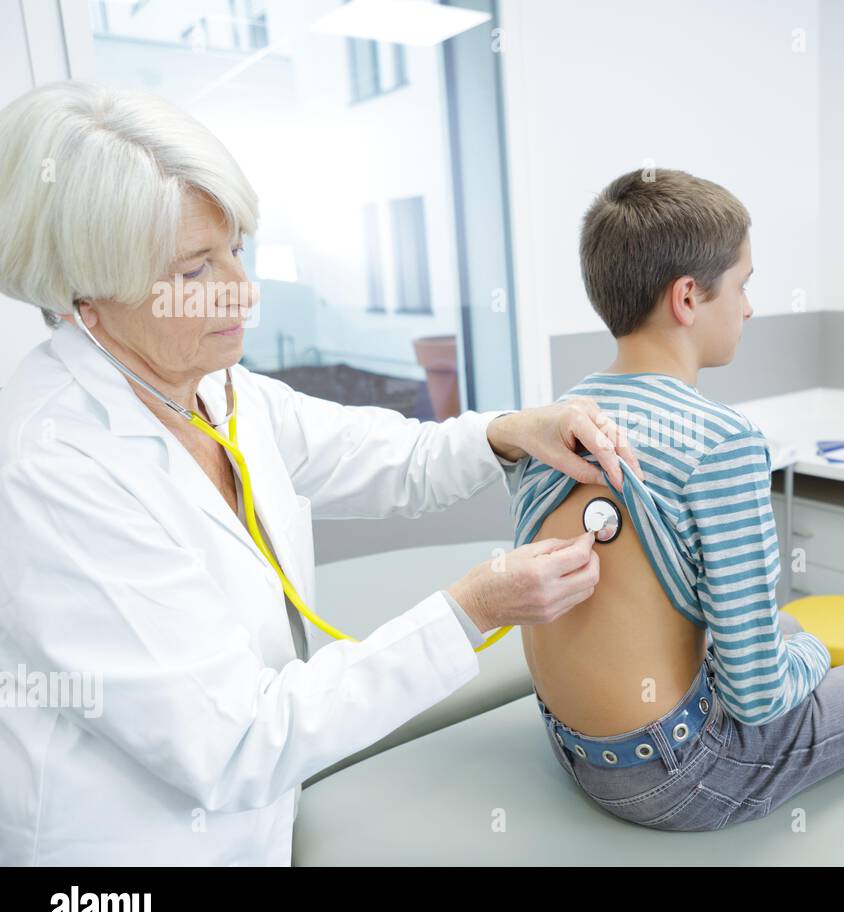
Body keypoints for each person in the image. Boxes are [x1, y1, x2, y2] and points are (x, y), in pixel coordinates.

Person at [0, 80, 641, 865]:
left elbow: (386, 457)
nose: (244, 289)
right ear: (85, 301)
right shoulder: (50, 470)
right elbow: (234, 743)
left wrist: (510, 432)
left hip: (258, 823)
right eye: (195, 270)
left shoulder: (209, 387)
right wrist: (474, 609)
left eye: (238, 247)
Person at [508, 168, 844, 834]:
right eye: (744, 283)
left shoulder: (556, 419)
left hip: (574, 747)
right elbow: (756, 698)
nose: (749, 308)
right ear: (688, 298)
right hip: (679, 778)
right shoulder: (721, 442)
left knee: (779, 629)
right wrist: (814, 651)